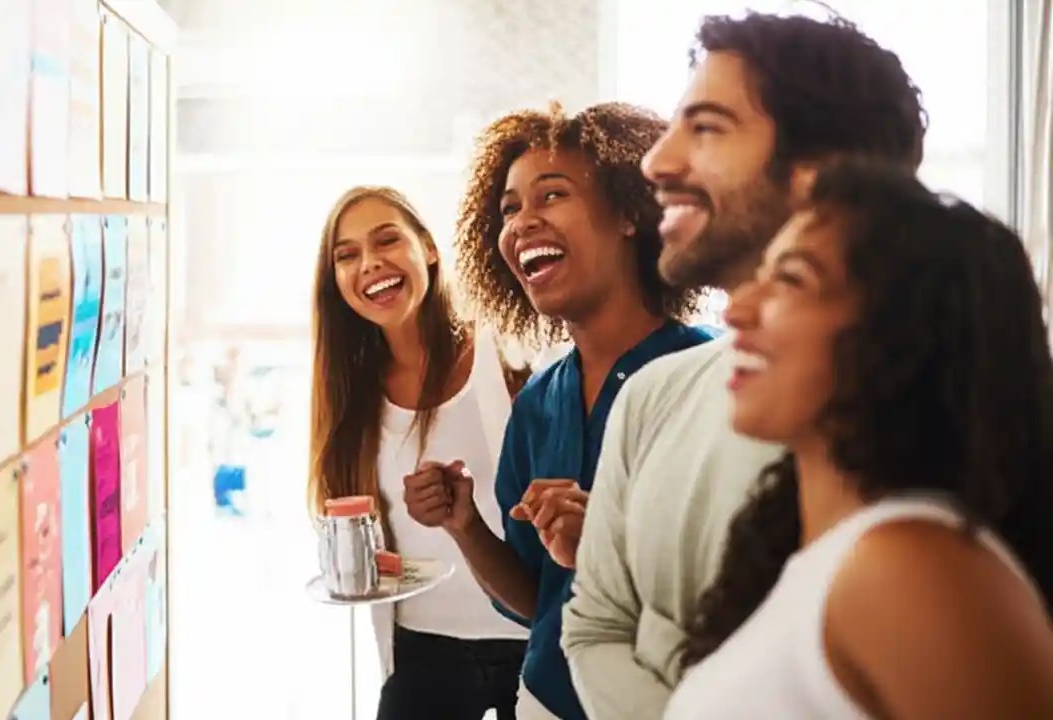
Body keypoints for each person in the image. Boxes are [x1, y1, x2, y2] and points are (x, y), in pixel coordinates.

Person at [561, 12, 930, 719]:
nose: (655, 163)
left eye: (705, 128)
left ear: (822, 170)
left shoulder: (963, 428)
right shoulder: (652, 395)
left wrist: (664, 652)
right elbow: (594, 629)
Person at [667, 157, 1053, 719]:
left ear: (902, 337)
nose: (739, 307)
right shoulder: (829, 560)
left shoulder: (910, 567)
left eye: (792, 279)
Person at [403, 102, 712, 720]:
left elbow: (734, 592)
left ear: (630, 212)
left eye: (551, 195)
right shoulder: (540, 401)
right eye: (509, 208)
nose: (522, 222)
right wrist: (465, 526)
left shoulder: (707, 380)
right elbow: (533, 599)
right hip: (543, 701)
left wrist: (605, 541)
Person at [306, 186, 530, 720]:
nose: (371, 264)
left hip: (530, 639)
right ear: (336, 283)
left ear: (428, 248)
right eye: (347, 255)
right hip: (426, 648)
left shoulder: (506, 355)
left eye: (388, 240)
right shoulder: (351, 394)